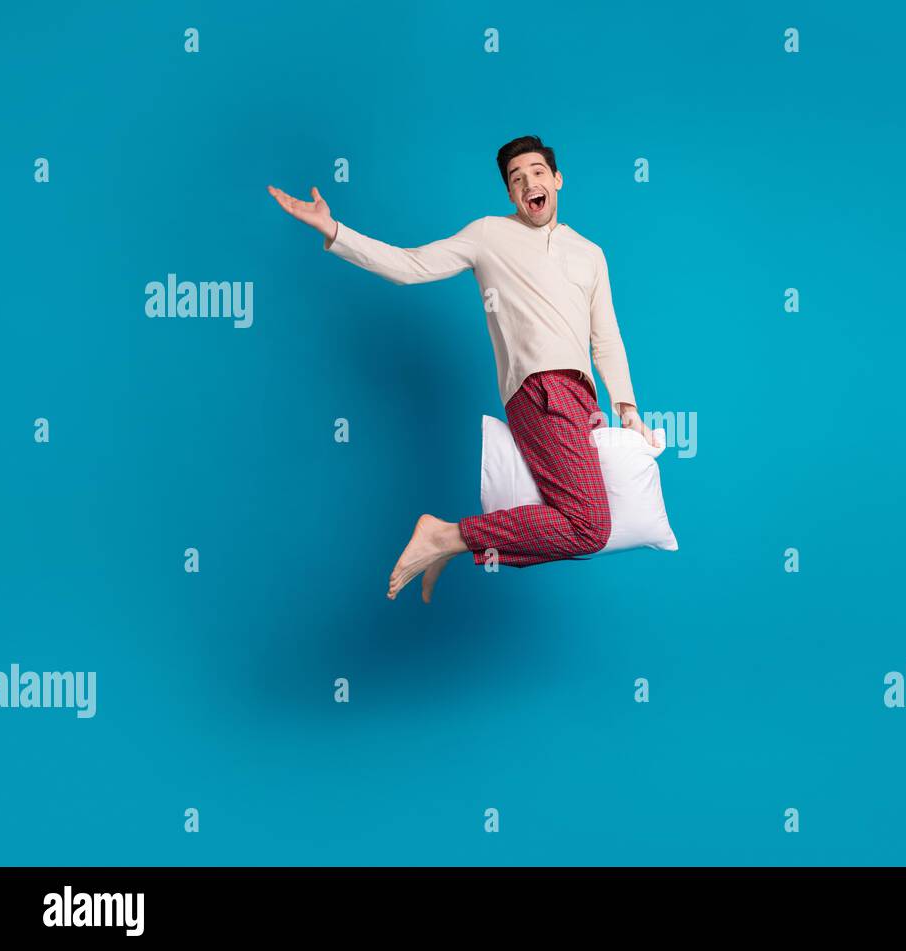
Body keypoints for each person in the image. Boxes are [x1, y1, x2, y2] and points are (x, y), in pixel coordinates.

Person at [268, 135, 658, 603]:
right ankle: (445, 538)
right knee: (591, 526)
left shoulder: (590, 253)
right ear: (511, 195)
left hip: (582, 401)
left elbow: (606, 336)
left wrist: (627, 407)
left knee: (584, 526)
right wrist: (335, 231)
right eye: (517, 180)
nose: (528, 183)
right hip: (538, 390)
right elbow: (409, 266)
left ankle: (446, 540)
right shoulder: (488, 235)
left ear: (557, 179)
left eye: (537, 172)